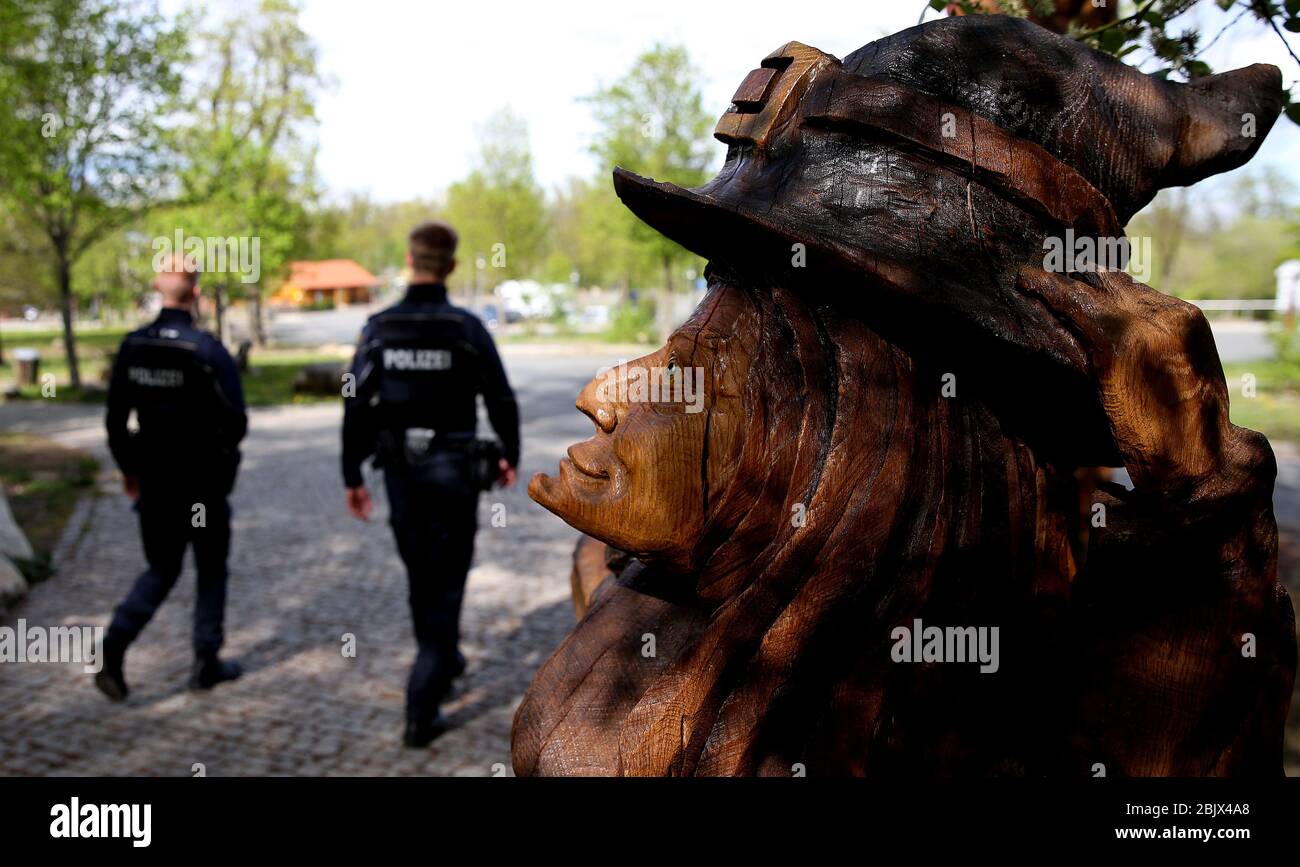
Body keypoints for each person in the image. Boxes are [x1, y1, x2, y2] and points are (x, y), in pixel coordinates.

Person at [342, 220, 520, 747]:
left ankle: (443, 658)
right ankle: (422, 703)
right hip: (453, 474)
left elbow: (355, 402)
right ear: (452, 267)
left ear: (408, 259)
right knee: (445, 580)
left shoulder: (377, 328)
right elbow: (501, 397)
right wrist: (509, 453)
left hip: (401, 475)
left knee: (423, 574)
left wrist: (351, 474)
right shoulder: (466, 329)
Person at [97, 254, 248, 701]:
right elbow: (236, 421)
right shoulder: (206, 351)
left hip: (156, 483)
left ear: (158, 286)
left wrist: (130, 468)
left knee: (161, 569)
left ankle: (112, 647)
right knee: (210, 570)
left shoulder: (133, 346)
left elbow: (114, 421)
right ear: (196, 292)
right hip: (202, 487)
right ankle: (206, 661)